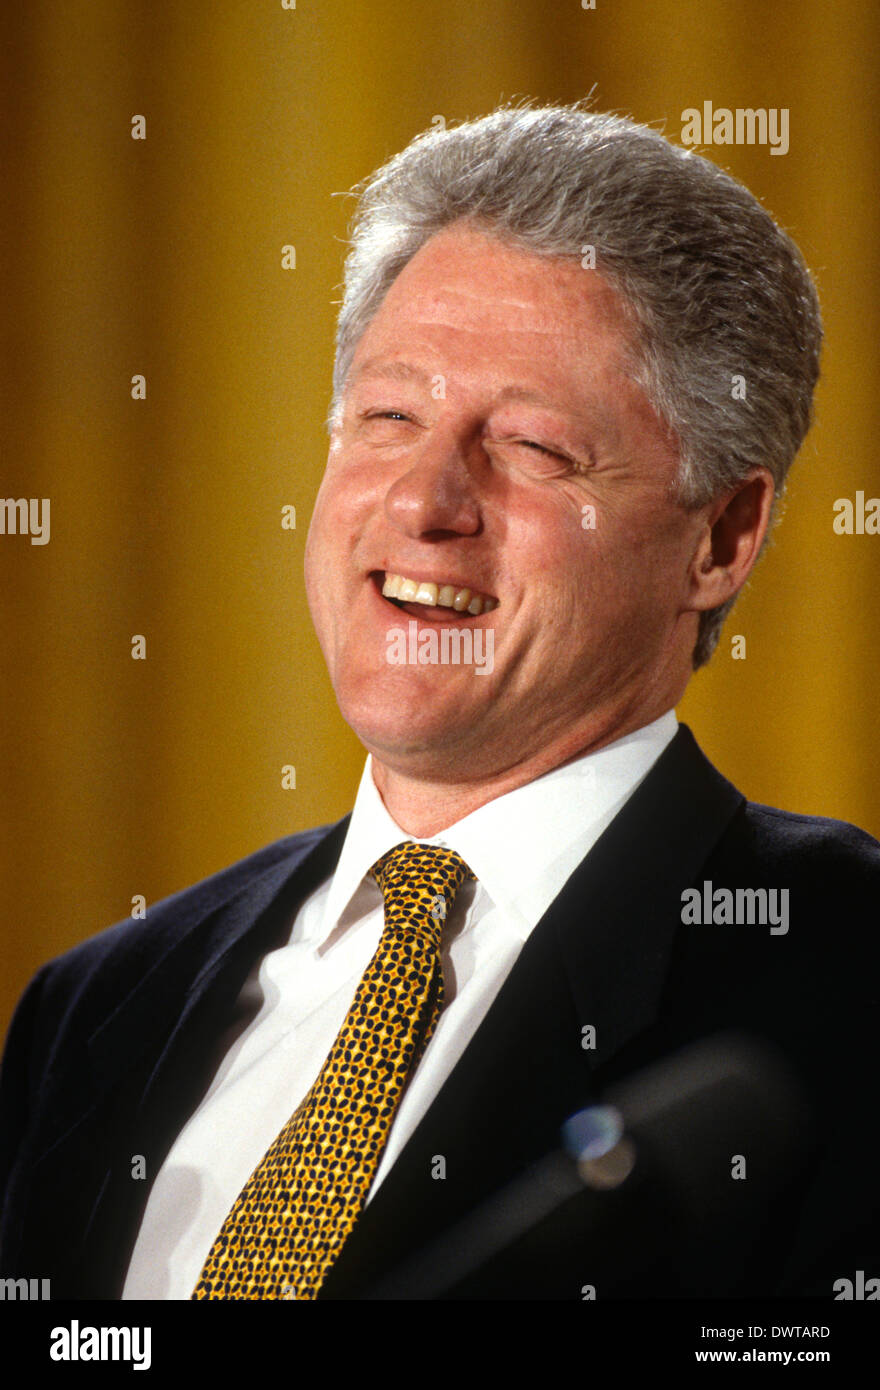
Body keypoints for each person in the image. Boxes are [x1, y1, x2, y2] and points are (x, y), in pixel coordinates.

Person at [1, 102, 878, 1302]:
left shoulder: (842, 978)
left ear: (720, 538)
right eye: (389, 416)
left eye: (530, 447)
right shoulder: (95, 1006)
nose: (425, 501)